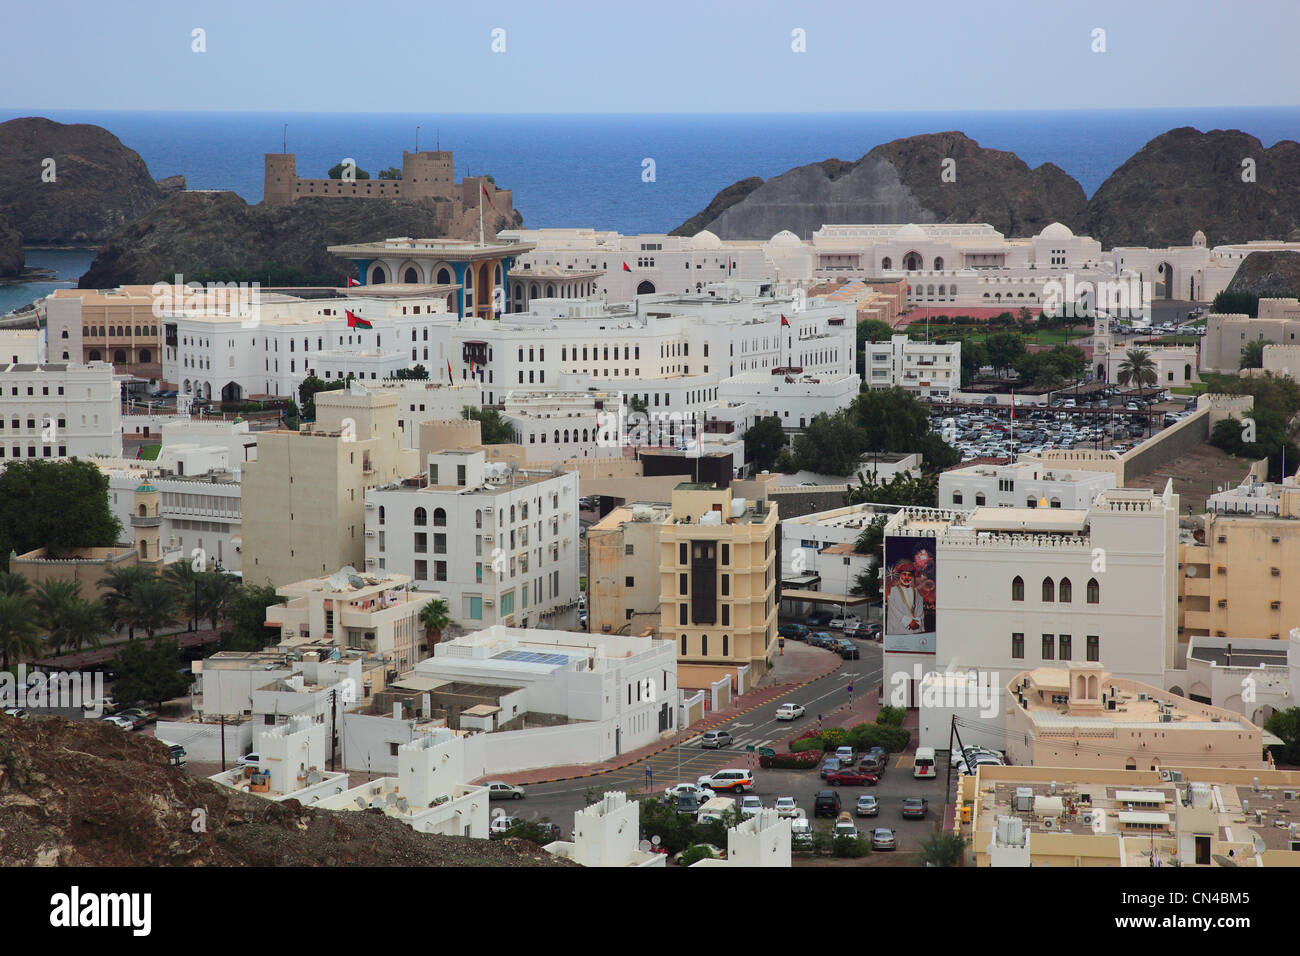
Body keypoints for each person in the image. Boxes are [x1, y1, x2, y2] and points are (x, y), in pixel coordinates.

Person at [886, 560, 924, 634]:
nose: (907, 577)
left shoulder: (916, 591)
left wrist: (917, 622)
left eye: (909, 575)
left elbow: (920, 609)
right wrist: (909, 622)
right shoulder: (893, 591)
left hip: (915, 628)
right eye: (904, 574)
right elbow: (894, 610)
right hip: (900, 628)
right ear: (900, 575)